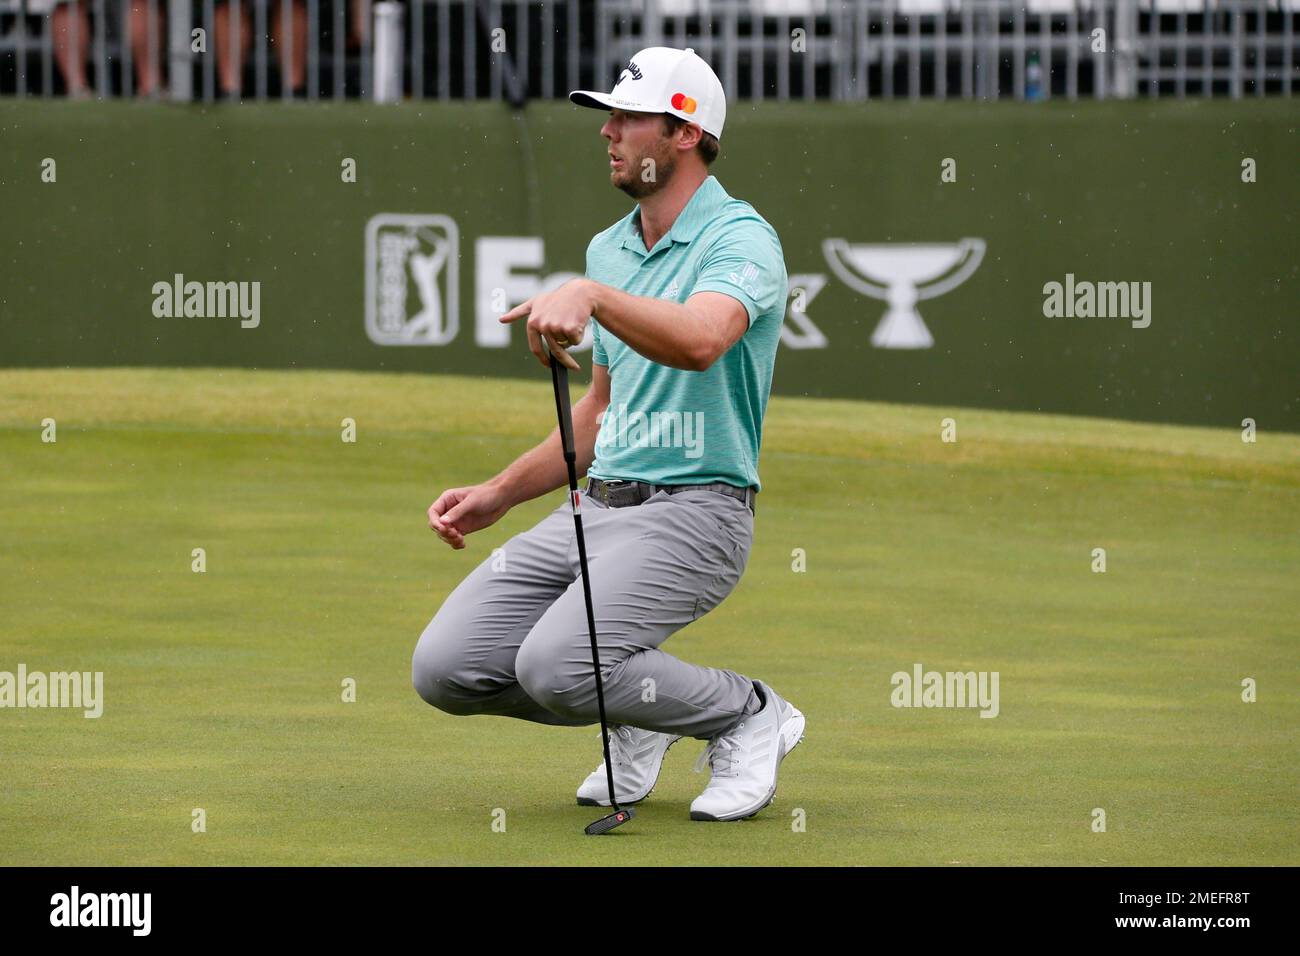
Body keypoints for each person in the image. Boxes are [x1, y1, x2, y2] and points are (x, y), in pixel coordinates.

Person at [412, 46, 802, 822]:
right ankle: (641, 709)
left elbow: (700, 338)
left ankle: (748, 712)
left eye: (627, 117)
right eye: (608, 116)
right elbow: (598, 413)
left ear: (684, 134)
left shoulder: (741, 238)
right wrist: (498, 494)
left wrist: (592, 297)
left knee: (557, 666)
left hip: (700, 512)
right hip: (595, 510)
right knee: (446, 668)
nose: (608, 132)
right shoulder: (610, 247)